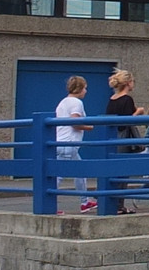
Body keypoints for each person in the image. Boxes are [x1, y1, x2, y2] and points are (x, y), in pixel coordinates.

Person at [105, 69, 144, 214]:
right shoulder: (127, 99)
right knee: (123, 173)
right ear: (128, 83)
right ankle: (119, 205)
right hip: (124, 140)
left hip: (112, 139)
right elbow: (126, 121)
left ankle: (113, 203)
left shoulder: (112, 99)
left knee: (114, 172)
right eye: (133, 81)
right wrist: (138, 112)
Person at [54, 76, 94, 213]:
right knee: (58, 175)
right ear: (79, 89)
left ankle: (85, 202)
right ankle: (49, 205)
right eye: (85, 88)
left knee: (80, 172)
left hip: (61, 142)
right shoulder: (76, 103)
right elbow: (75, 122)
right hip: (69, 143)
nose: (86, 91)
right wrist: (89, 127)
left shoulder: (62, 102)